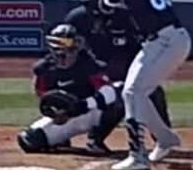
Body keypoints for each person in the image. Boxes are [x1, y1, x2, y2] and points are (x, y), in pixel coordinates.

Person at [95, 0, 189, 170]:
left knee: (133, 92)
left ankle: (138, 155)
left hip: (166, 40)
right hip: (167, 39)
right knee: (136, 92)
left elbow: (108, 4)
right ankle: (165, 139)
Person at [15, 23, 121, 154]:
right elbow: (42, 94)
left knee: (120, 93)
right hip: (65, 117)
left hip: (91, 113)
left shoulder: (88, 63)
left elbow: (109, 92)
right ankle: (61, 139)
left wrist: (84, 104)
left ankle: (95, 140)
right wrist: (55, 112)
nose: (70, 51)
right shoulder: (44, 68)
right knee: (29, 140)